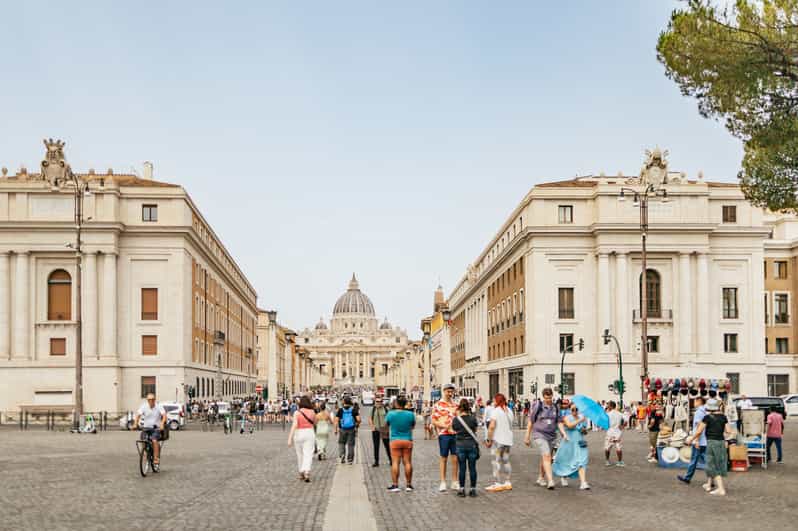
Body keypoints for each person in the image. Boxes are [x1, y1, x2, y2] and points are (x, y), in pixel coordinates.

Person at [687, 398, 732, 495]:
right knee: (717, 464)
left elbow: (699, 431)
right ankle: (709, 484)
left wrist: (691, 439)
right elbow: (728, 431)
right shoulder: (723, 417)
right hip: (721, 442)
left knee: (711, 466)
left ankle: (721, 489)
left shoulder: (707, 418)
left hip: (711, 443)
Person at [525, 388, 559, 489]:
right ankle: (550, 481)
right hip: (539, 434)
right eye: (546, 398)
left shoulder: (555, 407)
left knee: (546, 458)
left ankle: (541, 477)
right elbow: (531, 421)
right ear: (543, 397)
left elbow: (559, 421)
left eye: (550, 397)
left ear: (552, 396)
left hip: (552, 436)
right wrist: (527, 436)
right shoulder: (538, 406)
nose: (548, 399)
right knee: (547, 456)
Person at [552, 403, 591, 490]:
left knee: (582, 461)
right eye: (572, 409)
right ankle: (564, 476)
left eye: (576, 409)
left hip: (580, 442)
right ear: (569, 410)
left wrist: (584, 430)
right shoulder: (567, 417)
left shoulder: (582, 418)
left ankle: (583, 482)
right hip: (568, 442)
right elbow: (569, 425)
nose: (574, 411)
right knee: (567, 461)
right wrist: (580, 420)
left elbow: (584, 432)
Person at [432, 383, 460, 492]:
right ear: (444, 391)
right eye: (448, 391)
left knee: (455, 458)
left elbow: (459, 419)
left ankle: (454, 481)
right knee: (443, 458)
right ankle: (443, 481)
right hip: (443, 434)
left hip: (454, 434)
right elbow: (434, 420)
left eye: (451, 392)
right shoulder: (437, 405)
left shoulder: (455, 405)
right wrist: (444, 426)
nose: (450, 394)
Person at [385, 395, 416, 492]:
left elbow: (386, 425)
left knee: (395, 462)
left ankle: (395, 485)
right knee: (407, 462)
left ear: (396, 403)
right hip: (407, 440)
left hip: (395, 440)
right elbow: (413, 426)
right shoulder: (410, 414)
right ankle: (408, 485)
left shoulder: (390, 414)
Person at [485, 393, 514, 492]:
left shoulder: (496, 411)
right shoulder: (509, 410)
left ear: (497, 401)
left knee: (496, 461)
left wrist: (489, 439)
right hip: (508, 440)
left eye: (494, 400)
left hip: (498, 440)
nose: (493, 402)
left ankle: (497, 483)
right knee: (506, 460)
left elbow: (492, 427)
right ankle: (507, 482)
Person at [452, 398, 480, 497]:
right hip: (471, 444)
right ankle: (473, 489)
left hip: (460, 445)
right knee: (472, 468)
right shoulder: (472, 418)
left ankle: (462, 489)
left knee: (462, 468)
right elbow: (475, 430)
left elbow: (454, 430)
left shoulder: (456, 419)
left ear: (459, 407)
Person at [678, 396, 707, 485]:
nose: (694, 402)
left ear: (699, 401)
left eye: (695, 401)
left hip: (699, 441)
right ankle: (711, 480)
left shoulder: (699, 412)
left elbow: (699, 426)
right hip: (705, 440)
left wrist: (696, 440)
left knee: (694, 460)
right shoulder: (706, 411)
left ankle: (687, 478)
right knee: (707, 461)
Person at [134, 393, 167, 471]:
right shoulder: (144, 406)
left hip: (156, 429)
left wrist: (162, 424)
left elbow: (164, 416)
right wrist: (135, 423)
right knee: (143, 440)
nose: (151, 401)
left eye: (152, 399)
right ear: (147, 400)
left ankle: (155, 459)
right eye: (149, 400)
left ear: (155, 400)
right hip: (146, 428)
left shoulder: (159, 406)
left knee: (154, 440)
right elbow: (138, 415)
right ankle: (145, 454)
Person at [287, 395, 316, 482]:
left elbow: (294, 425)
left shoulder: (297, 412)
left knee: (300, 454)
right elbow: (314, 423)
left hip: (298, 433)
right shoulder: (312, 412)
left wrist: (290, 438)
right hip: (309, 432)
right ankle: (307, 471)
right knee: (308, 454)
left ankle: (301, 472)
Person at [335, 396, 360, 464]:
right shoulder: (353, 410)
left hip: (342, 429)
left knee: (341, 443)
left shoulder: (340, 410)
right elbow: (358, 419)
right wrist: (357, 425)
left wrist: (335, 429)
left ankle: (342, 455)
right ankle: (350, 459)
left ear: (344, 402)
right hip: (351, 429)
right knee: (351, 444)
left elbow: (336, 420)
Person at [369, 395, 392, 467]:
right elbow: (370, 418)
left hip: (384, 429)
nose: (379, 403)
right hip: (376, 429)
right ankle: (376, 461)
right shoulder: (373, 409)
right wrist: (372, 426)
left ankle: (391, 460)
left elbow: (390, 418)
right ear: (375, 402)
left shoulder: (386, 409)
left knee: (387, 445)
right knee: (376, 446)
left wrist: (388, 427)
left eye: (380, 401)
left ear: (382, 402)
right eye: (377, 401)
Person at [604, 401, 624, 467]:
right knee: (618, 447)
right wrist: (622, 427)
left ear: (611, 406)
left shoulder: (607, 414)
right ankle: (620, 461)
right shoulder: (620, 414)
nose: (607, 406)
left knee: (607, 447)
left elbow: (605, 424)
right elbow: (624, 421)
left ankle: (607, 461)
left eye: (608, 405)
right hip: (618, 432)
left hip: (610, 431)